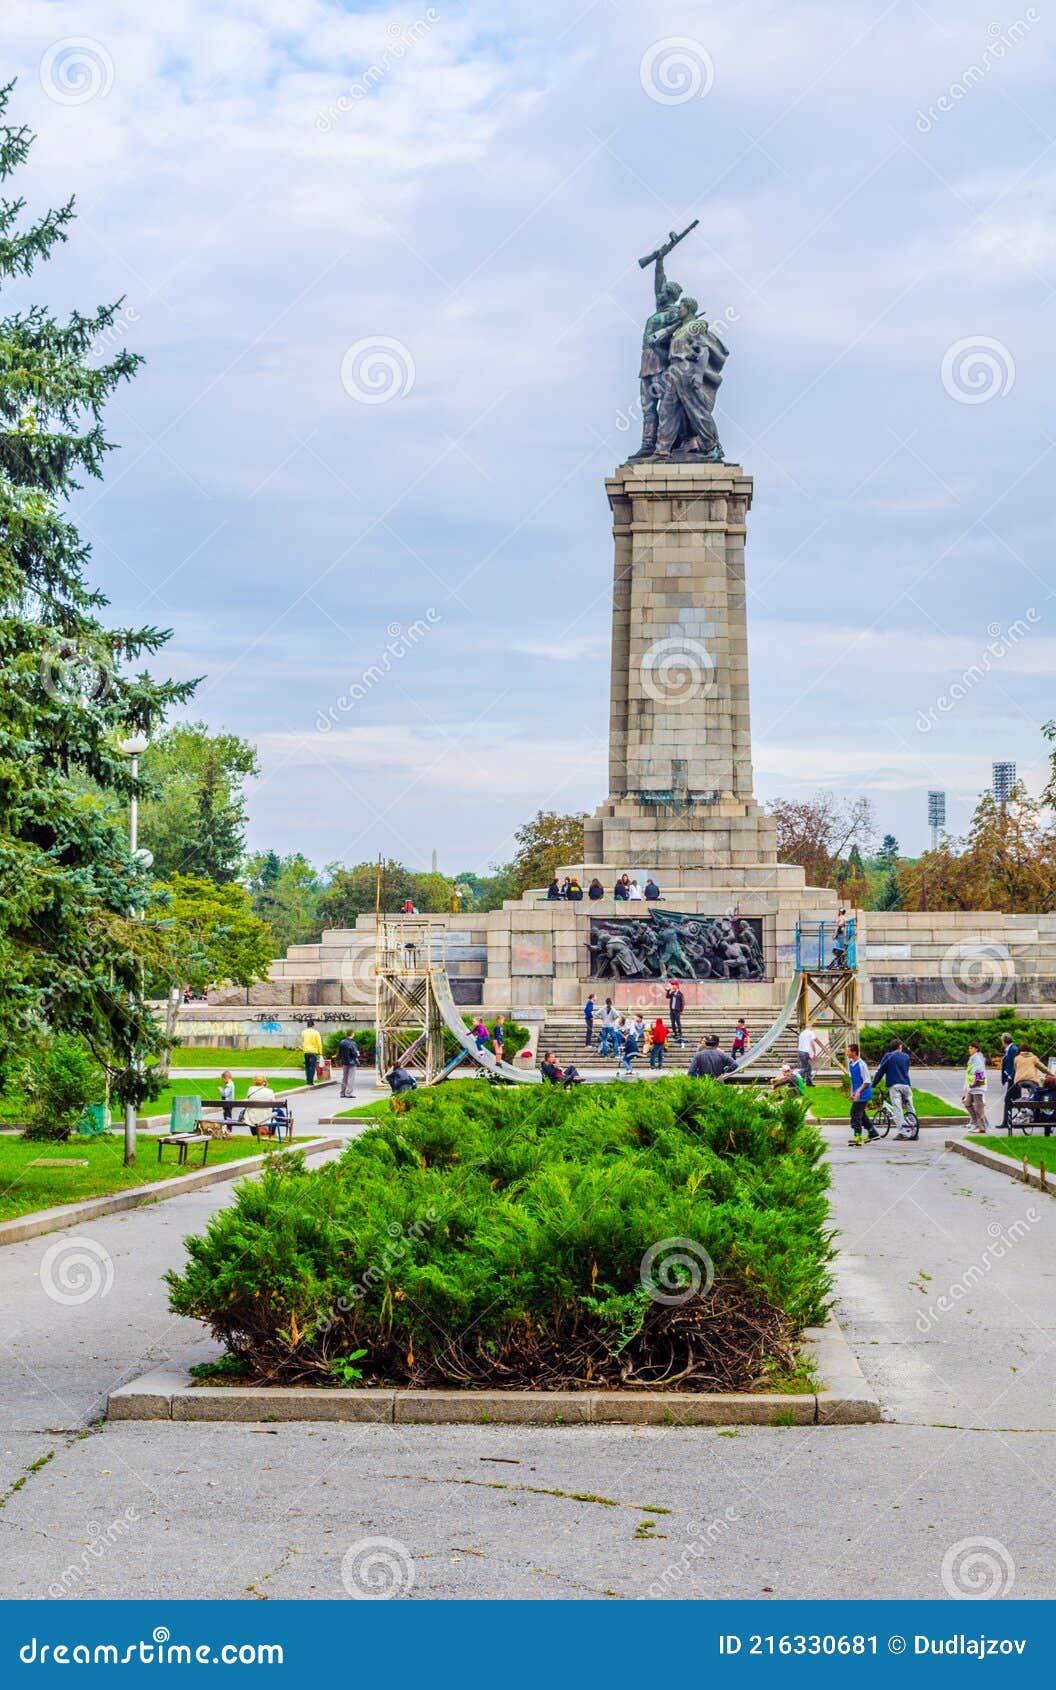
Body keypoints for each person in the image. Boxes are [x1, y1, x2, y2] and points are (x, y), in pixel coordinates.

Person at [873, 1038, 917, 1140]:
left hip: (895, 1086)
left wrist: (874, 1083)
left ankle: (903, 1133)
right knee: (910, 1107)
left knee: (897, 1109)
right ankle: (914, 1131)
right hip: (906, 1085)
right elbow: (905, 1069)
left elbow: (881, 1071)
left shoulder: (888, 1056)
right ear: (900, 1047)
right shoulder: (906, 1056)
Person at [847, 1044, 878, 1146]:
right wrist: (852, 1092)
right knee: (861, 1114)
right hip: (857, 1093)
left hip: (863, 1093)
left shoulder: (861, 1064)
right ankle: (872, 1132)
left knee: (855, 1113)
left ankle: (858, 1137)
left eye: (848, 1051)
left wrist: (858, 1092)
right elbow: (853, 1080)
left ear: (854, 1052)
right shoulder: (851, 1063)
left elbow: (867, 1082)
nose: (847, 1053)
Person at [963, 1039, 989, 1133]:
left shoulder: (977, 1058)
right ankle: (975, 1124)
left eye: (971, 1048)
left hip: (977, 1087)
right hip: (972, 1087)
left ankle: (981, 1127)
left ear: (976, 1049)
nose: (969, 1050)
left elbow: (979, 1070)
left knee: (979, 1108)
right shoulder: (973, 1058)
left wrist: (974, 1079)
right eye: (969, 1048)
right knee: (967, 1104)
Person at [336, 1032, 360, 1099]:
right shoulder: (352, 1043)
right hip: (352, 1062)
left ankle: (342, 1092)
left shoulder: (342, 1042)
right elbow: (355, 1053)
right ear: (352, 1034)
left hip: (344, 1062)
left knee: (345, 1077)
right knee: (351, 1078)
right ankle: (348, 1093)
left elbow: (339, 1053)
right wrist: (357, 1054)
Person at [301, 1018, 323, 1086]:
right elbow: (319, 1043)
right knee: (312, 1067)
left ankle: (308, 1080)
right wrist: (320, 1052)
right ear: (313, 1025)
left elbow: (303, 1041)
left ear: (307, 1025)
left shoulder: (303, 1032)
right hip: (313, 1051)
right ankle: (310, 1081)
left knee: (307, 1066)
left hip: (306, 1051)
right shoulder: (316, 1032)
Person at [665, 980, 685, 1046]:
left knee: (678, 1022)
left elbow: (682, 1002)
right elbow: (667, 997)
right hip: (672, 1010)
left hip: (677, 1010)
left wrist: (681, 1010)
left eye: (673, 985)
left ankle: (680, 1033)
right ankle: (675, 1033)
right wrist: (668, 991)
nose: (672, 986)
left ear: (677, 986)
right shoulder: (673, 993)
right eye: (672, 985)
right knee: (672, 1022)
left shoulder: (680, 994)